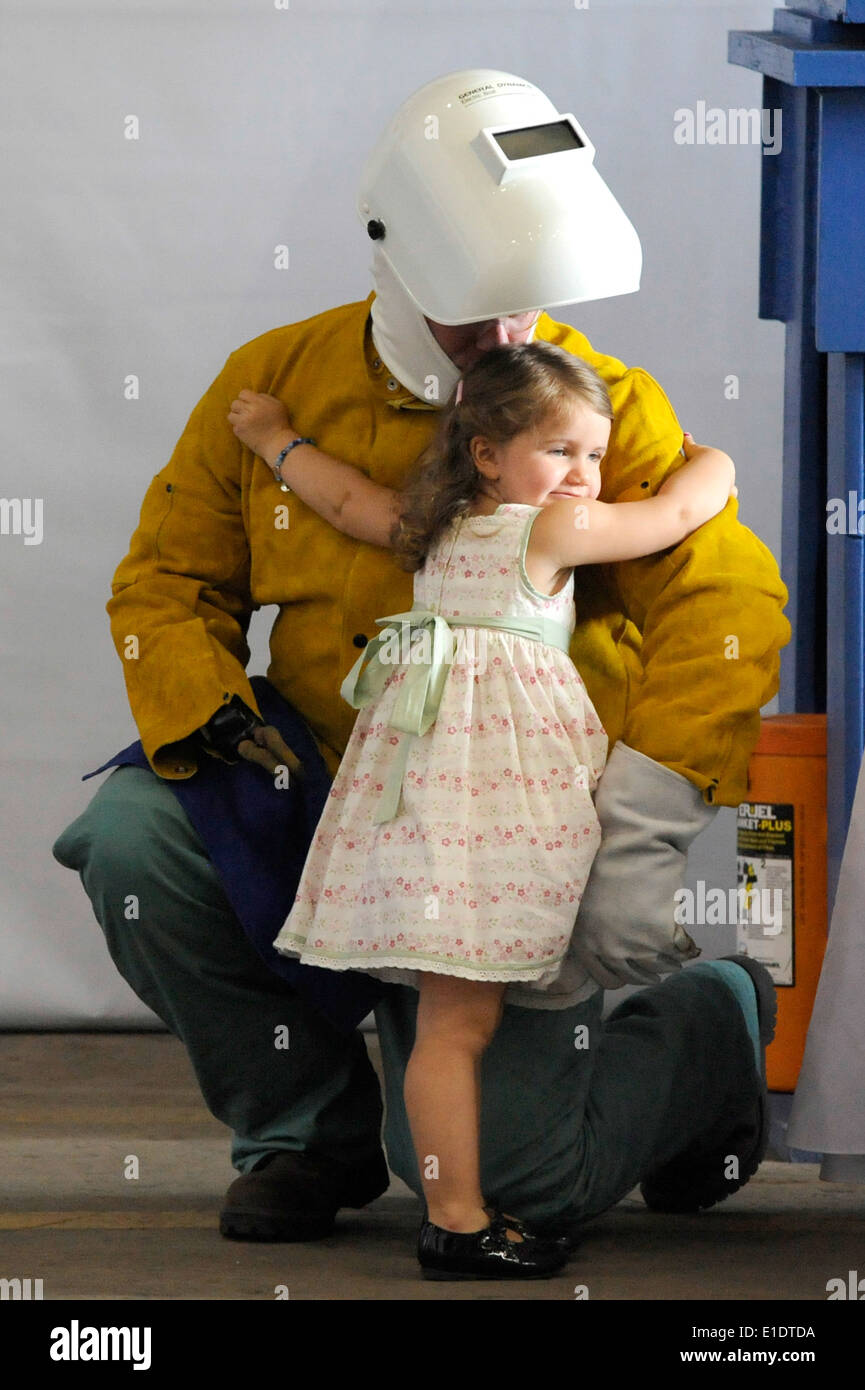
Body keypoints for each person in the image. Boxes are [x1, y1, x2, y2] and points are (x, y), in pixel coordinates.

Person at [52, 68, 790, 1252]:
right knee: (134, 834)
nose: (507, 337)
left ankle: (712, 1022)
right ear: (395, 259)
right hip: (334, 793)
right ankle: (304, 1132)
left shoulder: (589, 409)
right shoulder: (278, 379)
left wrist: (645, 816)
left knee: (527, 1189)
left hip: (512, 824)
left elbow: (728, 599)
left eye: (526, 308)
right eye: (476, 309)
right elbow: (165, 583)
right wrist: (224, 741)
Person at [226, 341, 736, 1277]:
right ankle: (457, 1222)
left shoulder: (429, 527)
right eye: (560, 453)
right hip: (496, 801)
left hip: (423, 806)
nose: (583, 476)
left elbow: (343, 498)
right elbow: (672, 513)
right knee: (463, 1028)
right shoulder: (553, 535)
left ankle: (455, 1210)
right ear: (486, 454)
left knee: (452, 1026)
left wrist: (275, 440)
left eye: (593, 454)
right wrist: (717, 462)